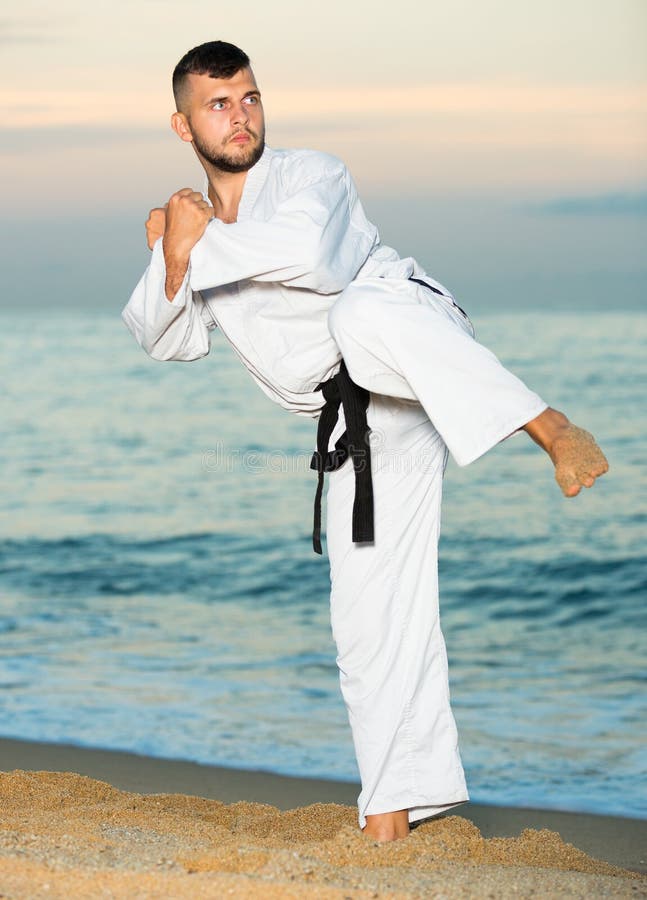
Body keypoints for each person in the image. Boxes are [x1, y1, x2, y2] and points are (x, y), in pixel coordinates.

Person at [121, 40, 608, 843]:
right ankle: (392, 819)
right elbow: (160, 334)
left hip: (412, 335)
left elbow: (312, 257)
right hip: (359, 420)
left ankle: (544, 423)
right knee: (367, 620)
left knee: (358, 312)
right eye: (218, 104)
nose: (240, 117)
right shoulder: (193, 227)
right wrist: (177, 252)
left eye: (249, 97)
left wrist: (190, 243)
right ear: (183, 126)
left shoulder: (312, 176)